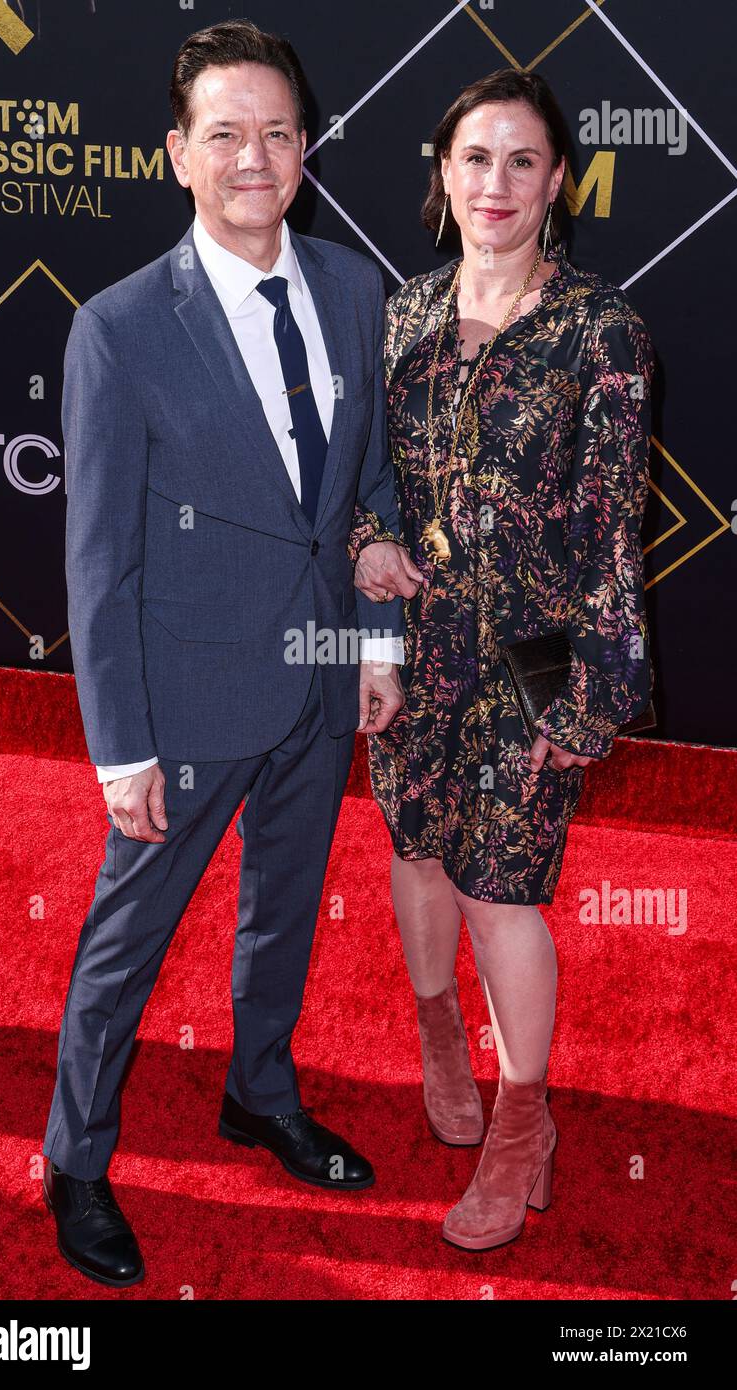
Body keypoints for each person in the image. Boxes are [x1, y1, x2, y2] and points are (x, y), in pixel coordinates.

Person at [41, 19, 420, 1288]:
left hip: (321, 681)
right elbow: (100, 563)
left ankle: (260, 1093)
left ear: (305, 152)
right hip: (189, 700)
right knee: (124, 946)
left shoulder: (360, 292)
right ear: (177, 156)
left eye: (275, 132)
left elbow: (368, 484)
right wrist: (121, 749)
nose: (252, 156)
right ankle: (76, 1162)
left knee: (285, 918)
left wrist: (375, 643)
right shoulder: (120, 328)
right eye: (224, 134)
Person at [352, 68, 655, 1251]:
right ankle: (442, 1041)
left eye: (522, 161)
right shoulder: (398, 318)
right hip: (414, 652)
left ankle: (523, 1125)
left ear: (559, 183)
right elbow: (364, 492)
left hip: (533, 659)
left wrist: (589, 695)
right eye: (475, 157)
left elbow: (615, 525)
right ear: (442, 173)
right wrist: (372, 562)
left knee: (502, 891)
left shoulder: (602, 329)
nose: (496, 183)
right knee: (419, 855)